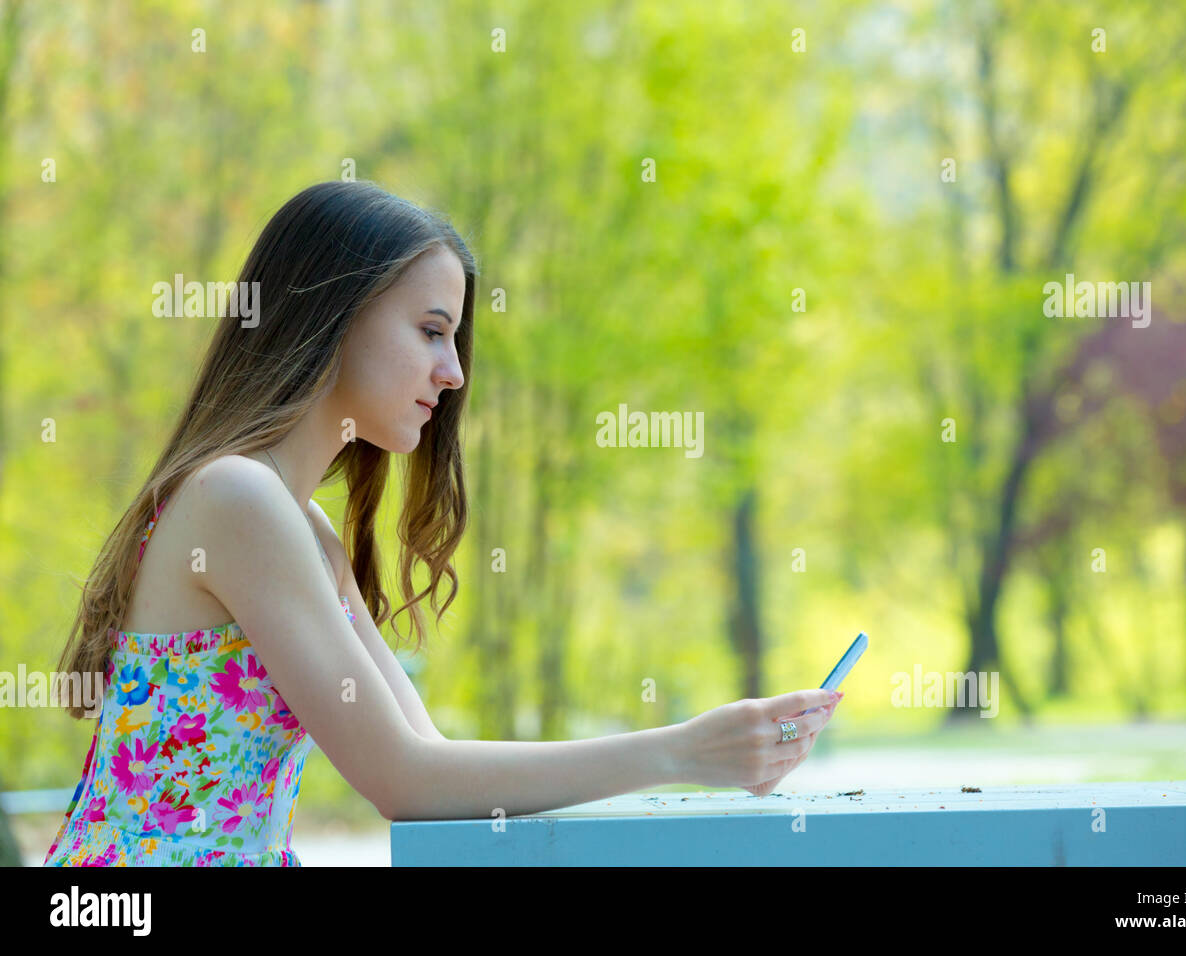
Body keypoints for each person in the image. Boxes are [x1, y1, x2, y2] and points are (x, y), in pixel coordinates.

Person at [45, 180, 842, 866]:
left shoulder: (300, 526)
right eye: (430, 331)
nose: (453, 371)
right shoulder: (237, 500)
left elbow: (432, 767)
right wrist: (681, 751)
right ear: (333, 317)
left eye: (453, 339)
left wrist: (694, 749)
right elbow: (402, 781)